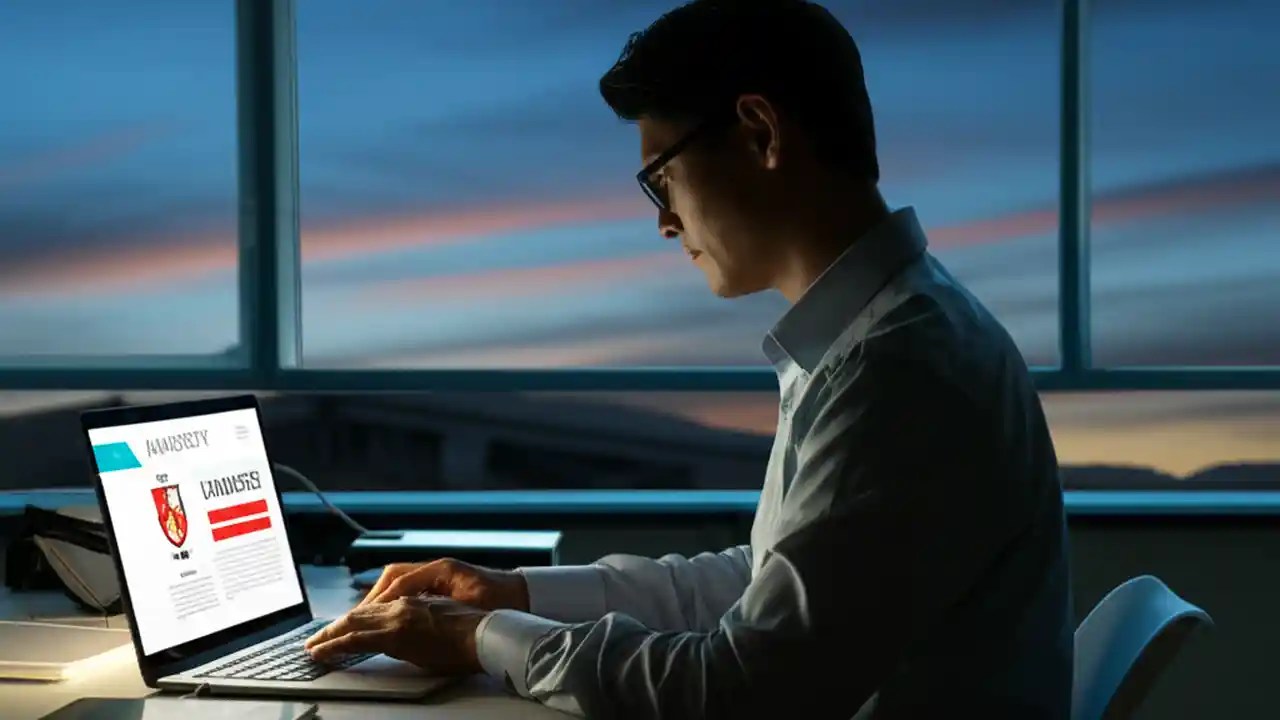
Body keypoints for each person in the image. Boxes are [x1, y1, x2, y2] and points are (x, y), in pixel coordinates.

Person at [303, 1, 1074, 717]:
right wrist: (511, 594)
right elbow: (765, 585)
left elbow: (742, 689)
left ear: (760, 134)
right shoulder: (886, 335)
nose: (665, 222)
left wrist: (480, 639)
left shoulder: (898, 371)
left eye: (661, 177)